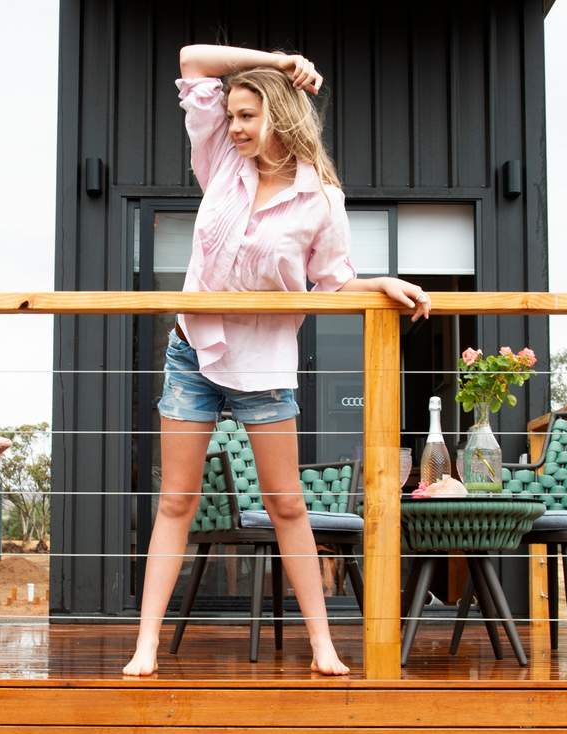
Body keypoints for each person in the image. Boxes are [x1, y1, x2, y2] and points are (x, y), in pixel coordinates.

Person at [122, 44, 432, 676]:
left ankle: (322, 646)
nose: (233, 127)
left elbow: (333, 279)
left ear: (281, 117)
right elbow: (191, 59)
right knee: (176, 501)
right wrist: (279, 59)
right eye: (230, 114)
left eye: (246, 116)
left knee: (288, 504)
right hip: (195, 352)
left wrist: (382, 285)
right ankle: (145, 646)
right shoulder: (218, 162)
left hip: (264, 367)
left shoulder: (321, 200)